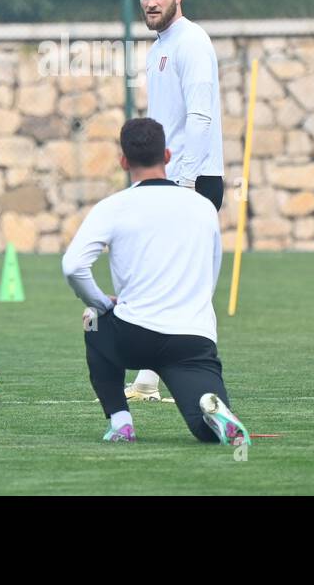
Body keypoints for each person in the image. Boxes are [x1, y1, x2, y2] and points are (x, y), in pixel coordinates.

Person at [63, 117, 249, 446]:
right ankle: (212, 407)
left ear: (123, 162)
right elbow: (212, 270)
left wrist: (102, 304)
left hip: (135, 335)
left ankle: (121, 423)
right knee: (205, 432)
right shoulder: (204, 207)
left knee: (94, 321)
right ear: (167, 155)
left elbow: (73, 266)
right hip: (193, 338)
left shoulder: (113, 207)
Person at [125, 0, 225, 403]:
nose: (151, 4)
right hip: (169, 179)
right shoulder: (159, 46)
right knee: (162, 279)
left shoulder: (192, 42)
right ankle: (148, 382)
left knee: (191, 286)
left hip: (195, 179)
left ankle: (205, 383)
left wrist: (183, 184)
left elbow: (200, 116)